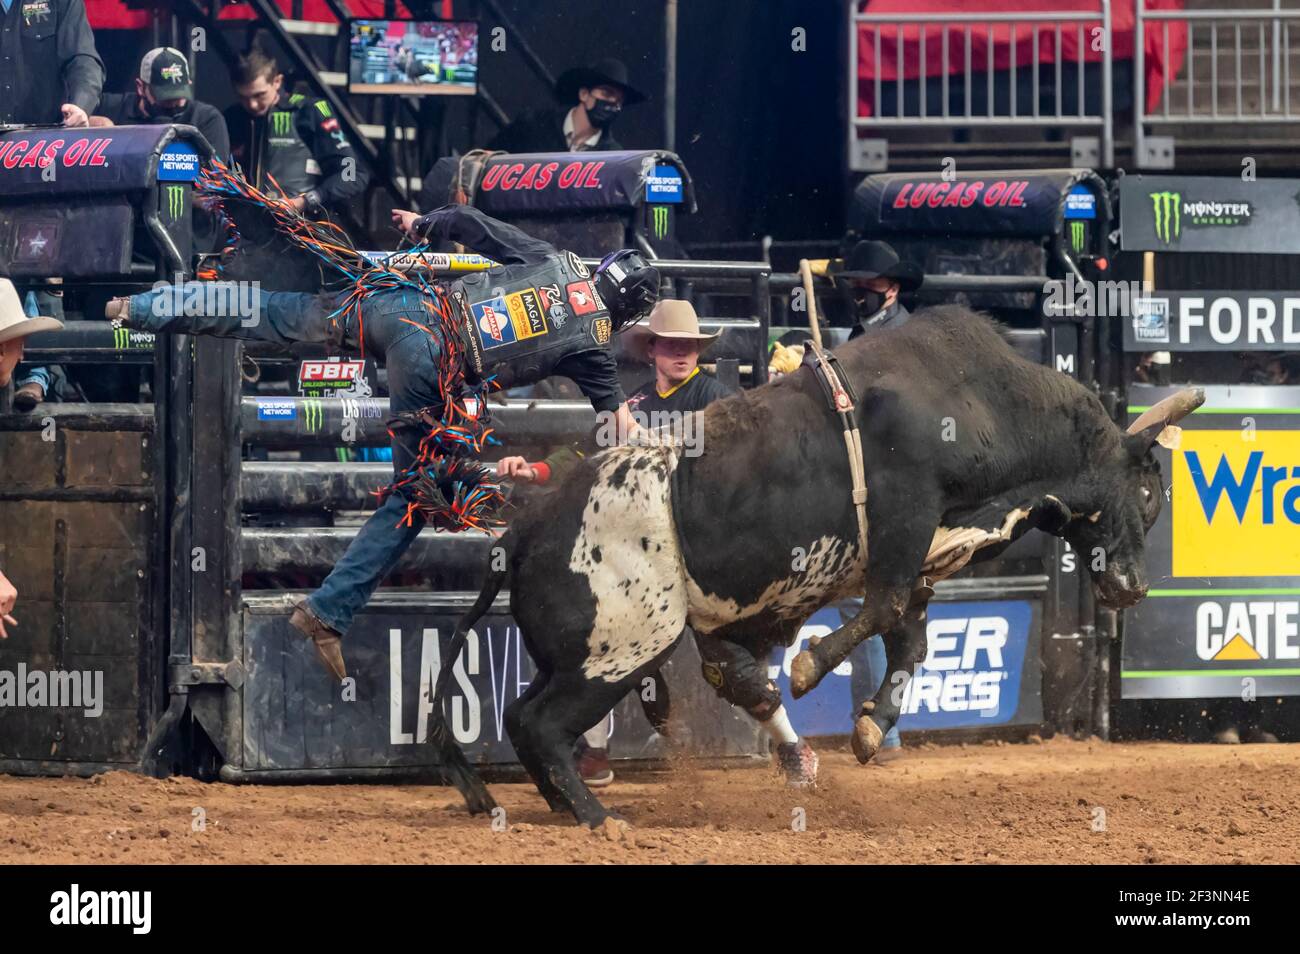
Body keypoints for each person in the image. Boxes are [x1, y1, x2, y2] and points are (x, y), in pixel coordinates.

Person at [108, 198, 659, 681]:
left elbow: (469, 220)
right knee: (416, 497)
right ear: (628, 311)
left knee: (280, 313)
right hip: (430, 357)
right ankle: (328, 611)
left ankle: (143, 308)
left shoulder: (555, 261)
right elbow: (618, 427)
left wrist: (424, 223)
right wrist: (658, 446)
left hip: (400, 305)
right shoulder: (595, 344)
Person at [499, 299, 734, 787]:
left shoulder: (717, 401)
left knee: (719, 649)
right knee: (622, 644)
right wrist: (537, 470)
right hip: (645, 549)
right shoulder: (633, 407)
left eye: (689, 346)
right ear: (653, 349)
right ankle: (620, 748)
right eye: (672, 344)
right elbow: (584, 452)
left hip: (702, 543)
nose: (682, 353)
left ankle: (782, 741)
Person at [833, 240, 925, 764]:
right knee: (877, 607)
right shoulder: (863, 335)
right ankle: (880, 727)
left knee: (875, 606)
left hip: (900, 488)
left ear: (889, 289)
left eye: (865, 287)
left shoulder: (903, 341)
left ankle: (881, 727)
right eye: (854, 287)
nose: (858, 295)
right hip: (870, 485)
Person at [0, 0, 103, 410]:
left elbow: (83, 59)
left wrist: (81, 105)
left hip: (39, 157)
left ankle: (41, 375)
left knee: (40, 261)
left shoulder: (60, 2)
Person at [224, 47, 370, 219]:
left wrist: (305, 201)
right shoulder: (231, 117)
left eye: (259, 95)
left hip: (301, 230)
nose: (253, 104)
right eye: (243, 97)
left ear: (277, 81)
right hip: (245, 233)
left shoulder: (310, 111)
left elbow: (354, 175)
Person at [95, 48, 230, 161]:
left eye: (178, 97)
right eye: (164, 97)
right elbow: (75, 113)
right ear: (141, 88)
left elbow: (216, 180)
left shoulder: (206, 119)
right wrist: (90, 124)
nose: (172, 105)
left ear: (188, 85)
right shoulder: (111, 107)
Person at [487, 57, 645, 154]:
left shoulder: (613, 155)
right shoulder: (533, 125)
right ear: (584, 94)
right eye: (606, 93)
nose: (612, 103)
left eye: (619, 101)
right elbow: (485, 157)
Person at [832, 240, 923, 338]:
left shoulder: (898, 335)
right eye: (856, 283)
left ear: (893, 290)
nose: (861, 291)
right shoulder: (867, 328)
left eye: (871, 284)